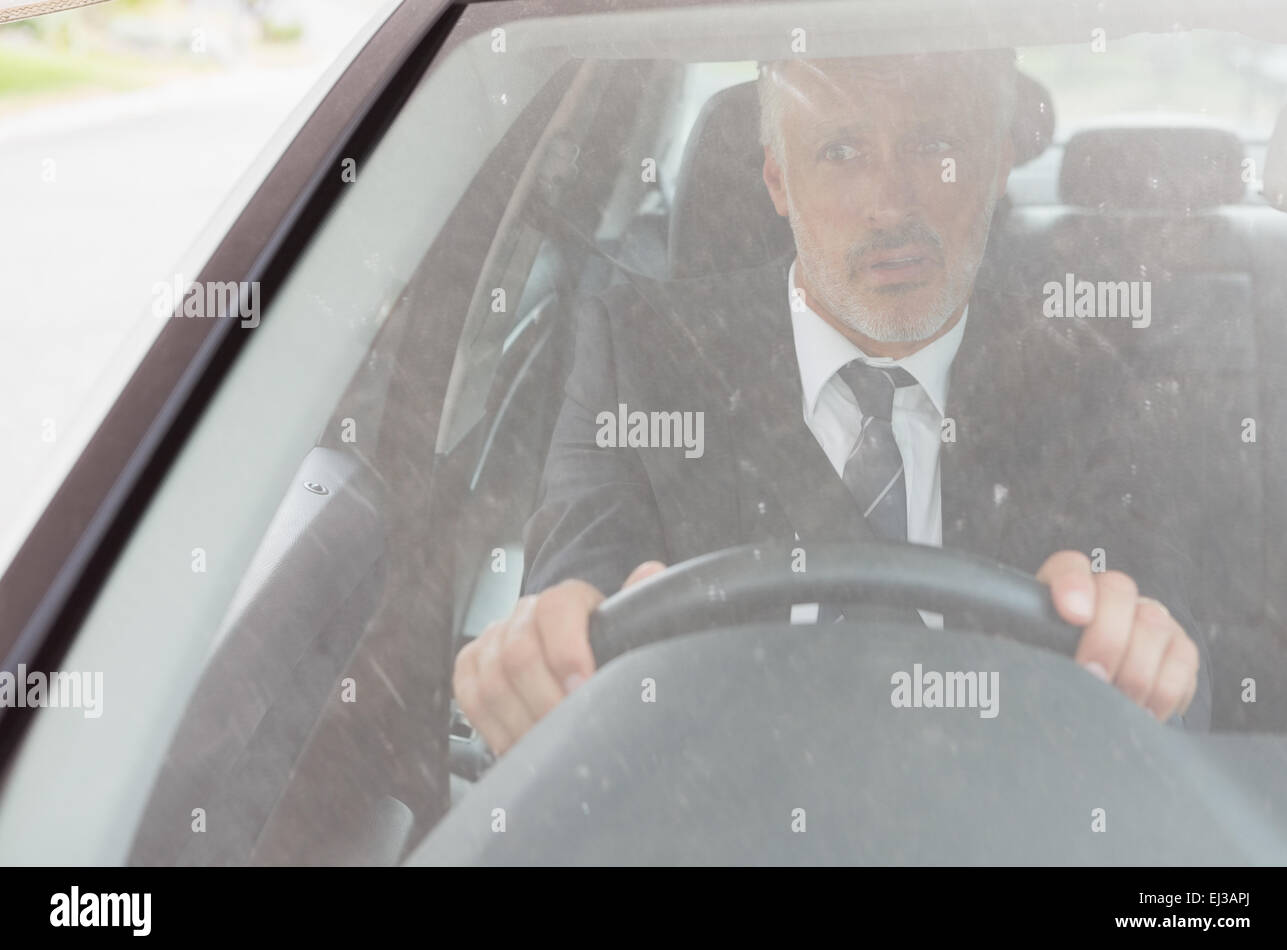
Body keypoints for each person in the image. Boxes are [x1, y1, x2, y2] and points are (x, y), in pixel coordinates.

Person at [453, 49, 1209, 756]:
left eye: (933, 144)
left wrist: (1142, 649)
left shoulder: (1093, 370)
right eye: (841, 151)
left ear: (998, 162)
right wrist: (542, 658)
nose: (890, 203)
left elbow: (1172, 655)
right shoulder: (641, 354)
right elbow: (574, 592)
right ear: (778, 181)